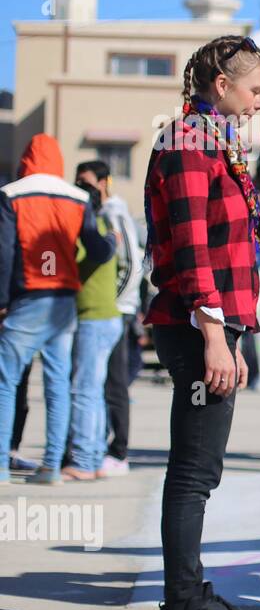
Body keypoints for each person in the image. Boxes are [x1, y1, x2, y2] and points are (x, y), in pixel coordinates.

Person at [145, 34, 260, 610]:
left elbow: (231, 251)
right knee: (193, 473)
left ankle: (191, 590)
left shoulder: (212, 140)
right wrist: (216, 336)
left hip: (212, 327)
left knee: (202, 470)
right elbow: (194, 249)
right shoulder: (189, 141)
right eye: (256, 89)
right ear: (222, 85)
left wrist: (235, 340)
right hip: (195, 326)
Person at [0, 134, 114, 485]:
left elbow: (4, 254)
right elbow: (98, 249)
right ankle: (51, 467)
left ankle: (1, 466)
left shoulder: (11, 195)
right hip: (64, 301)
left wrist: (2, 302)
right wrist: (111, 244)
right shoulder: (78, 198)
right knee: (58, 383)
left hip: (28, 297)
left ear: (26, 160)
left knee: (6, 382)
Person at [76, 161, 144, 476]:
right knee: (101, 381)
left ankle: (119, 452)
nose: (82, 188)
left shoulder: (114, 213)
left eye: (87, 182)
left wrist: (115, 302)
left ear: (104, 183)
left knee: (115, 382)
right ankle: (101, 446)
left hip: (118, 309)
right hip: (110, 308)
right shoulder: (95, 214)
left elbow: (132, 262)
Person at [62, 171, 120, 481]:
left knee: (83, 390)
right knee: (93, 390)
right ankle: (94, 456)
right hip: (107, 317)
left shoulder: (87, 234)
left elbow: (72, 264)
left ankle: (83, 460)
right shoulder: (101, 229)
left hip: (92, 319)